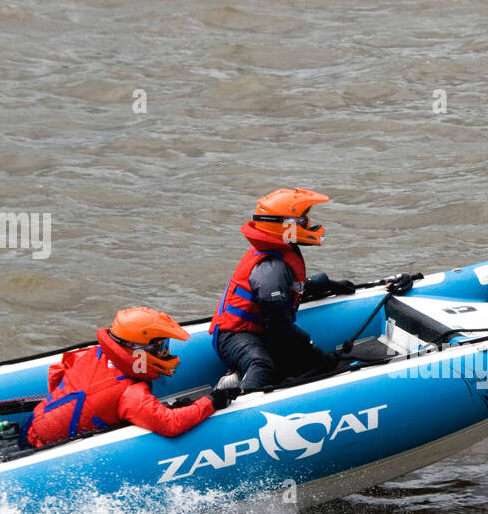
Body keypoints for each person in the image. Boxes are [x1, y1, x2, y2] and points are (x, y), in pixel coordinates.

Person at [210, 187, 356, 392]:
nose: (309, 225)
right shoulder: (272, 267)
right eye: (303, 221)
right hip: (235, 335)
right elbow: (279, 325)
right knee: (262, 365)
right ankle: (238, 394)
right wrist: (313, 349)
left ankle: (240, 376)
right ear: (285, 226)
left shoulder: (278, 254)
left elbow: (291, 289)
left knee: (303, 363)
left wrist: (329, 284)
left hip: (256, 330)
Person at [26, 307, 233, 448]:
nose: (165, 352)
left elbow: (56, 375)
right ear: (139, 351)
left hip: (31, 424)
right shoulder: (130, 392)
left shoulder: (91, 354)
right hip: (44, 447)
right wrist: (212, 401)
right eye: (160, 347)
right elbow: (171, 424)